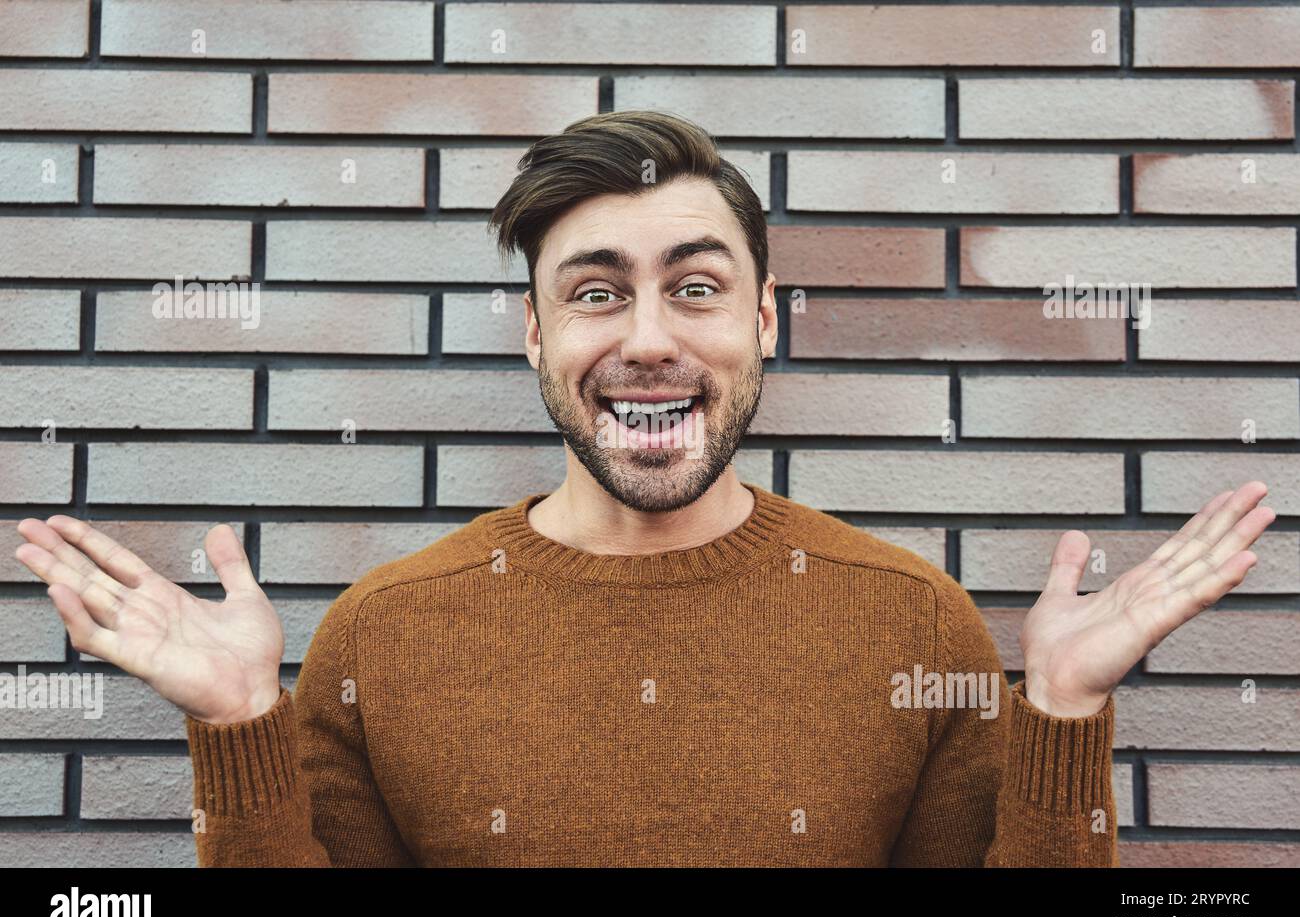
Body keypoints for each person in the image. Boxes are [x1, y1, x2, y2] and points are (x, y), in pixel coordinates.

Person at [13, 111, 1275, 866]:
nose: (649, 338)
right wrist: (240, 727)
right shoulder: (382, 634)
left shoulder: (911, 622)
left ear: (768, 322)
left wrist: (1057, 711)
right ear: (533, 336)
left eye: (697, 286)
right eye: (597, 292)